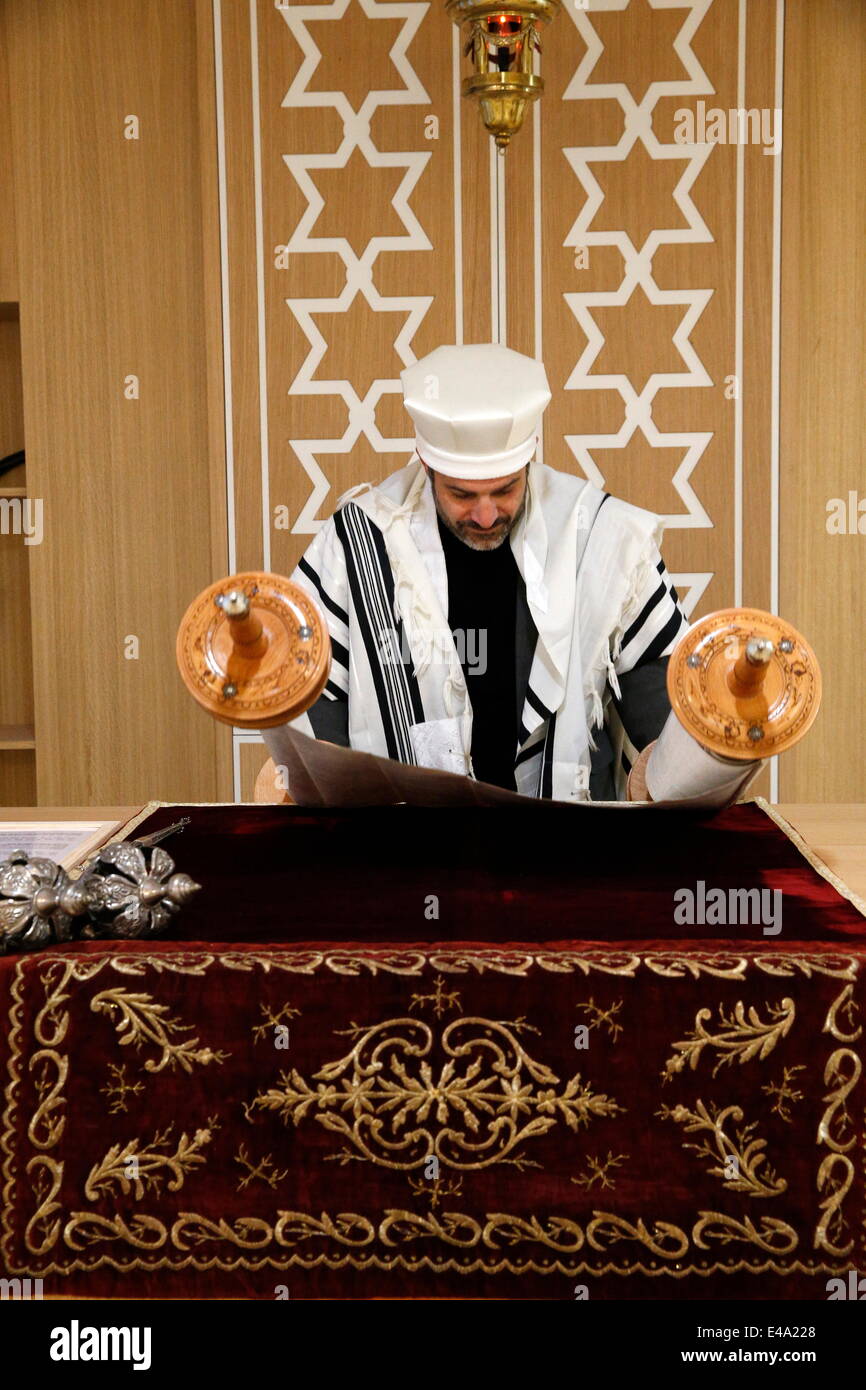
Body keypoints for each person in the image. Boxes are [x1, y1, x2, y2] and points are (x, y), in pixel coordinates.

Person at [264, 342, 690, 802]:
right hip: (405, 853)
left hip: (565, 852)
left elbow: (665, 715)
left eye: (505, 489)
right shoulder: (357, 543)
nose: (486, 515)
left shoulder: (604, 538)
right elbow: (312, 722)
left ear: (528, 461)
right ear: (426, 464)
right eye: (463, 495)